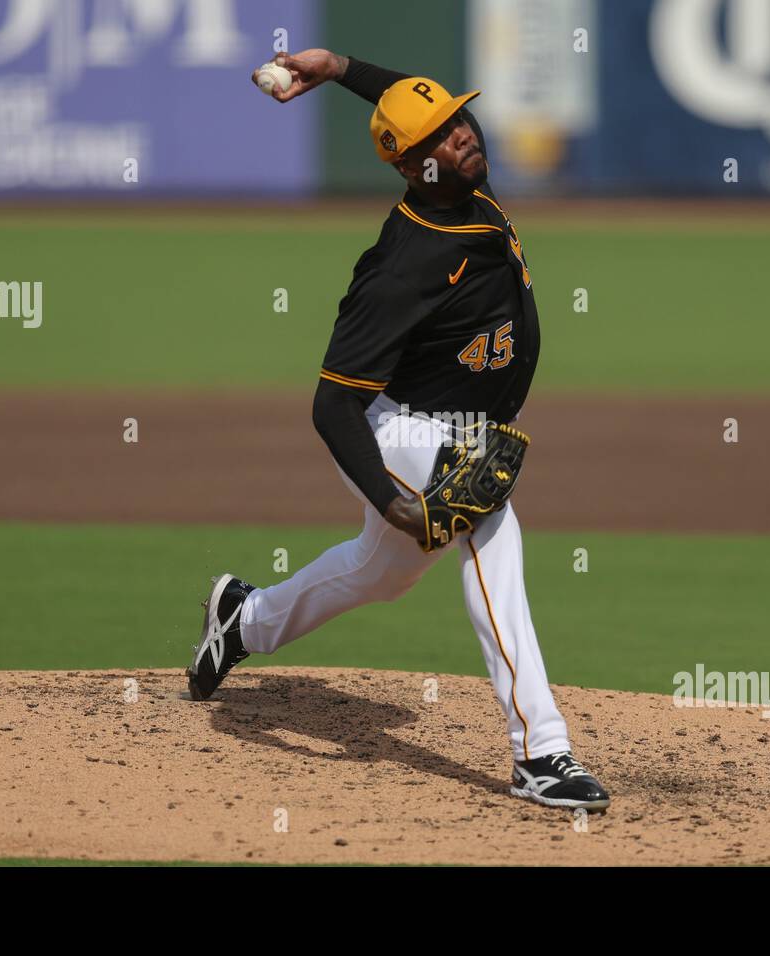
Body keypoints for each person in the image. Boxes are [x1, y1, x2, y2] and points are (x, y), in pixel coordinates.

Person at [187, 50, 609, 811]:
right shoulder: (402, 266)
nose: (463, 136)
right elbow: (331, 405)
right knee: (485, 519)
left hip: (451, 428)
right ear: (415, 169)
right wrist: (394, 502)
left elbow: (410, 106)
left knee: (380, 575)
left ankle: (242, 619)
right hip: (397, 431)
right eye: (442, 138)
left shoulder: (464, 184)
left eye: (459, 119)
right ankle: (541, 752)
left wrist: (340, 66)